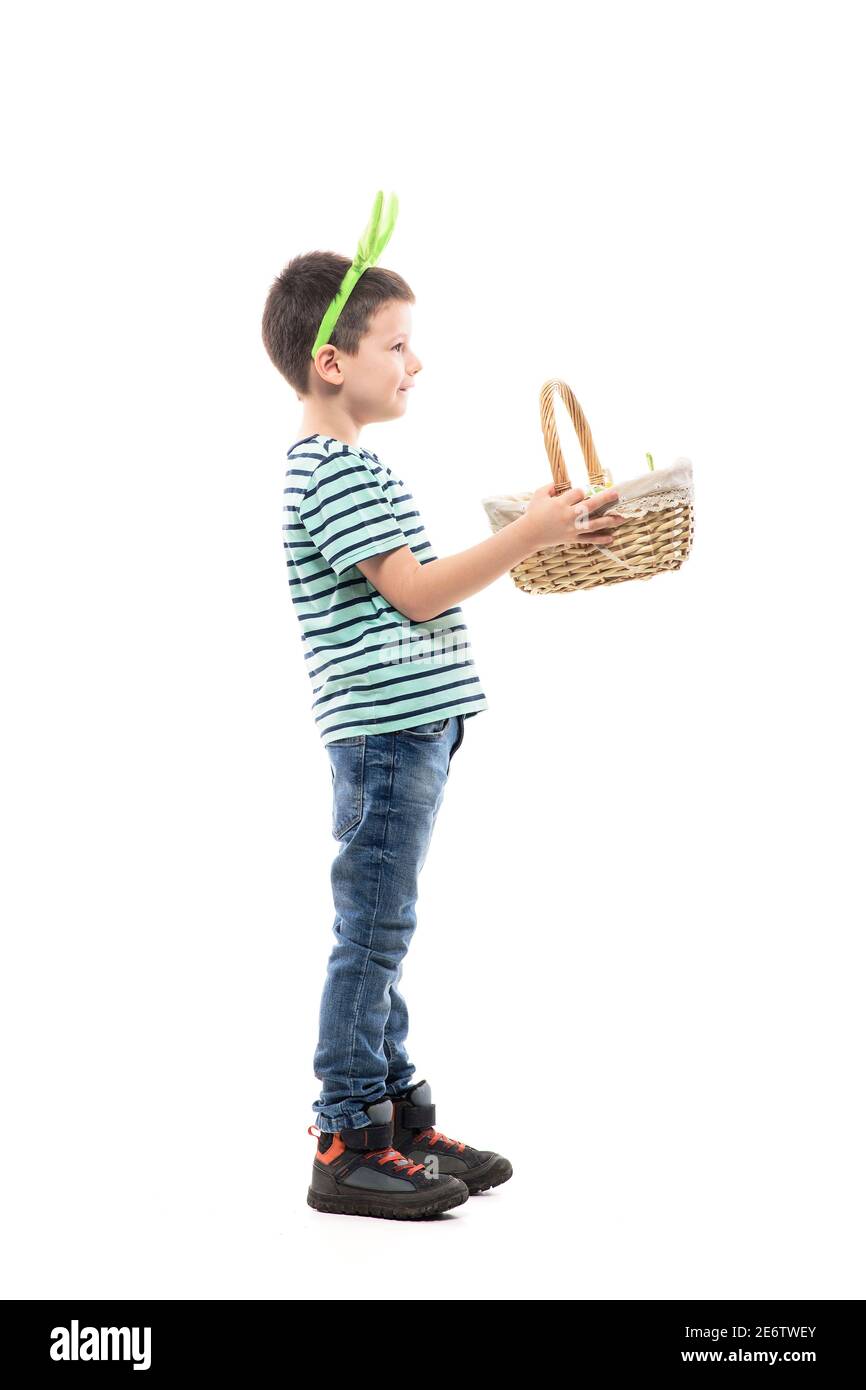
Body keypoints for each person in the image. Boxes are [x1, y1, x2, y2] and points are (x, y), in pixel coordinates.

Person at [261, 202, 626, 1220]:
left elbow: (421, 582)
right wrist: (528, 537)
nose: (414, 364)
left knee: (384, 923)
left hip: (405, 731)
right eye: (398, 345)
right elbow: (418, 591)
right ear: (333, 363)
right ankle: (344, 1136)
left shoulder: (351, 468)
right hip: (382, 736)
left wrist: (543, 530)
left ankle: (393, 1115)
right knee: (371, 931)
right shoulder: (330, 471)